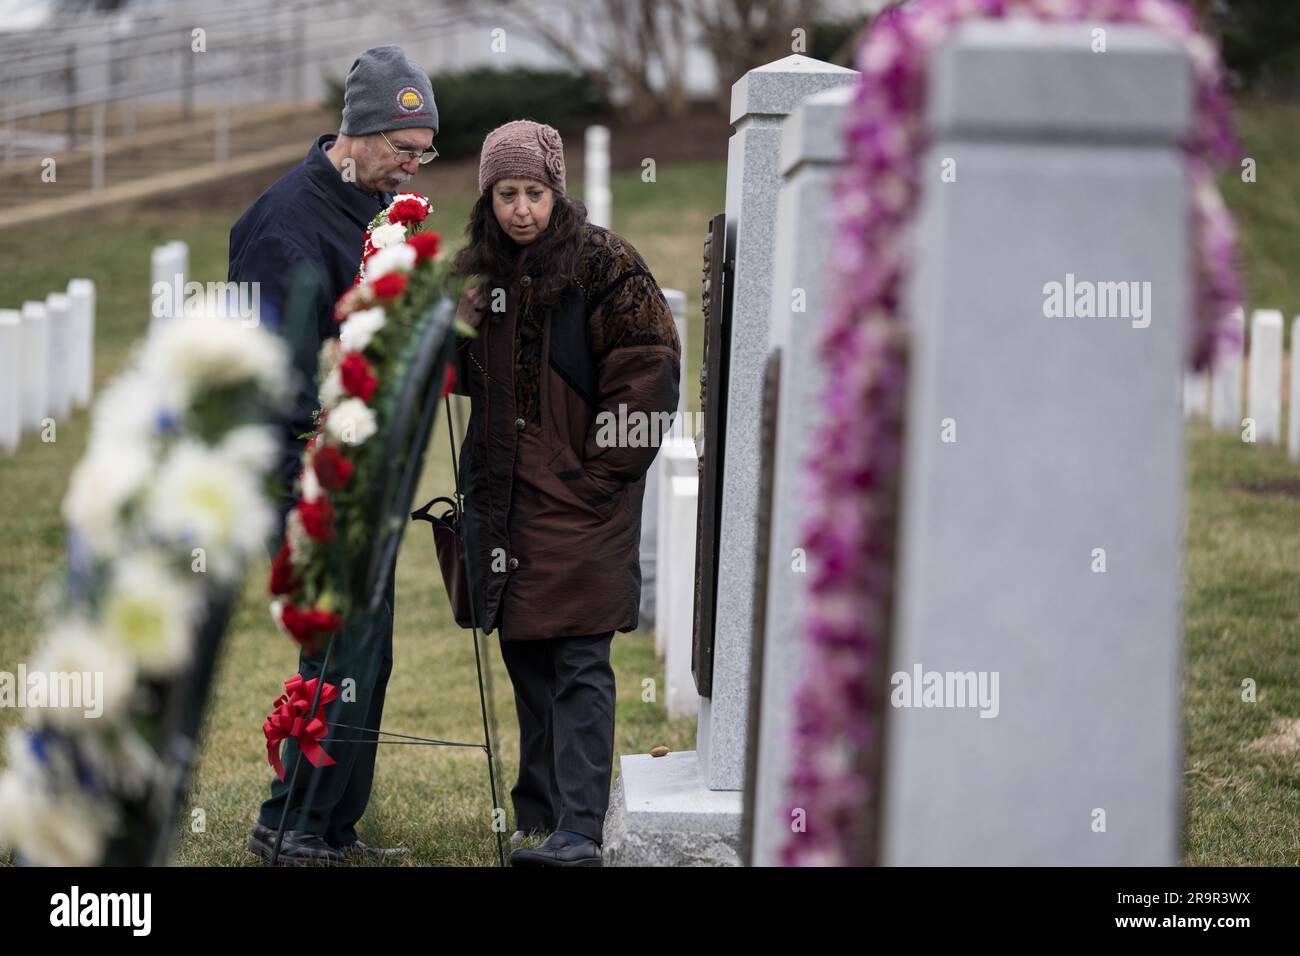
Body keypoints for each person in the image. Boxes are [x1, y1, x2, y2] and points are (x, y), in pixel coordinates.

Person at [450, 120, 681, 867]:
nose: (522, 209)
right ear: (489, 198)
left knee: (580, 659)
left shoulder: (605, 264)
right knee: (527, 654)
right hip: (506, 500)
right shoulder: (474, 276)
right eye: (507, 194)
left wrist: (601, 474)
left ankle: (578, 828)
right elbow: (454, 372)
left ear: (558, 190)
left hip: (583, 502)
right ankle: (540, 811)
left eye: (536, 193)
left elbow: (649, 369)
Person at [228, 44, 438, 865]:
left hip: (362, 467)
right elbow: (272, 369)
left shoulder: (374, 207)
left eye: (422, 154)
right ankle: (288, 822)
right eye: (400, 149)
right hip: (301, 463)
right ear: (357, 131)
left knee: (370, 643)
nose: (411, 167)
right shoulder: (285, 224)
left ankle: (333, 825)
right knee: (339, 638)